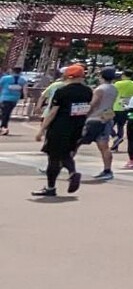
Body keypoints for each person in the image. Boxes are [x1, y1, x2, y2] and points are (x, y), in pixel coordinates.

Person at [31, 63, 92, 198]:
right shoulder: (88, 91)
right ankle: (71, 172)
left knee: (53, 157)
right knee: (66, 153)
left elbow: (53, 112)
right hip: (77, 127)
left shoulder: (62, 91)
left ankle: (51, 187)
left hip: (59, 127)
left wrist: (41, 130)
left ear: (68, 76)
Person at [83, 67, 119, 180]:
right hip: (106, 118)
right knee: (104, 146)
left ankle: (64, 167)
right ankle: (107, 170)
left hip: (94, 118)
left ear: (101, 76)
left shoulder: (100, 89)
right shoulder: (114, 88)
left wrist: (85, 115)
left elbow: (93, 104)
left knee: (76, 142)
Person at [110, 69, 133, 151]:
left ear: (123, 75)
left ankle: (115, 138)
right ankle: (116, 145)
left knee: (108, 125)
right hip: (127, 107)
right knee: (121, 126)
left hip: (116, 106)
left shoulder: (118, 84)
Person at [1, 65, 26, 135]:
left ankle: (4, 127)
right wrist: (25, 98)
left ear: (12, 71)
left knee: (5, 113)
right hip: (14, 99)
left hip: (4, 98)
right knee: (6, 113)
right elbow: (24, 90)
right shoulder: (22, 80)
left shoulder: (5, 78)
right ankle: (4, 127)